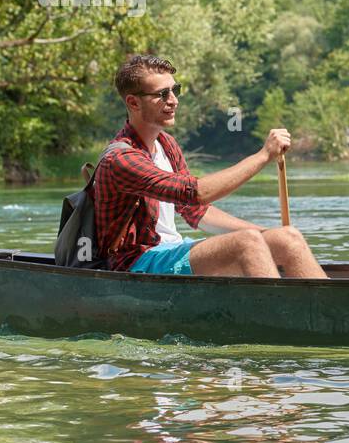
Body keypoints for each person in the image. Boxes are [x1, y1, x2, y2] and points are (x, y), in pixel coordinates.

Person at [91, 54, 326, 278]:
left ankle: (331, 314)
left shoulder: (166, 144)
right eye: (162, 94)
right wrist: (263, 156)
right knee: (246, 243)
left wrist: (265, 233)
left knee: (288, 237)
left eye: (175, 90)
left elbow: (195, 212)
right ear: (133, 102)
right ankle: (283, 316)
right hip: (136, 263)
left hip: (172, 251)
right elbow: (196, 194)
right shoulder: (121, 159)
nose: (174, 100)